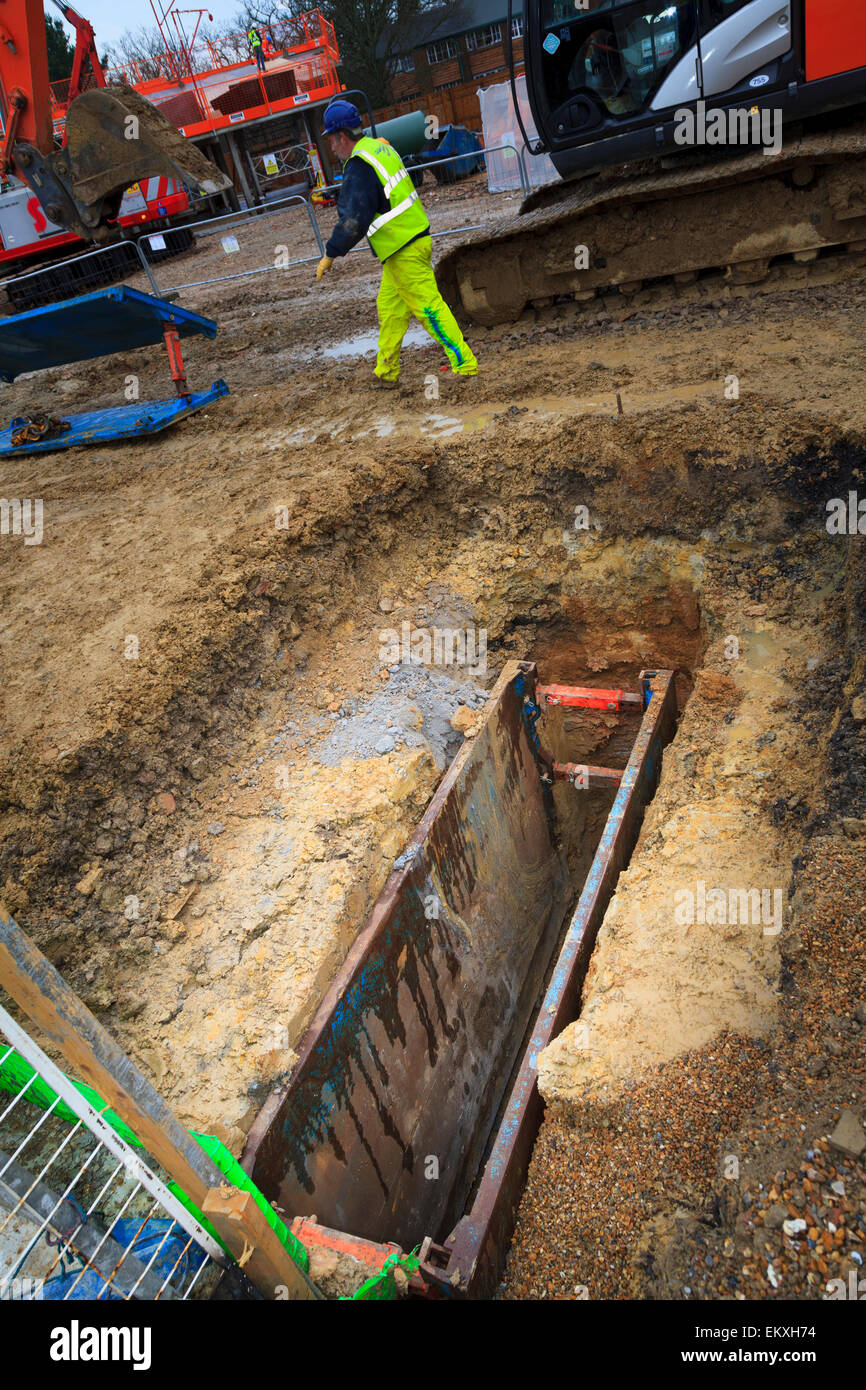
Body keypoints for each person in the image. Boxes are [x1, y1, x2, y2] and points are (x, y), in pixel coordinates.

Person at [315, 99, 477, 386]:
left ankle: (465, 365)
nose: (331, 148)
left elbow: (354, 218)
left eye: (330, 140)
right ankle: (386, 372)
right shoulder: (381, 148)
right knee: (389, 309)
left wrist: (331, 252)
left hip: (403, 247)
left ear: (342, 136)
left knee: (428, 308)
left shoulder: (359, 165)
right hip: (407, 242)